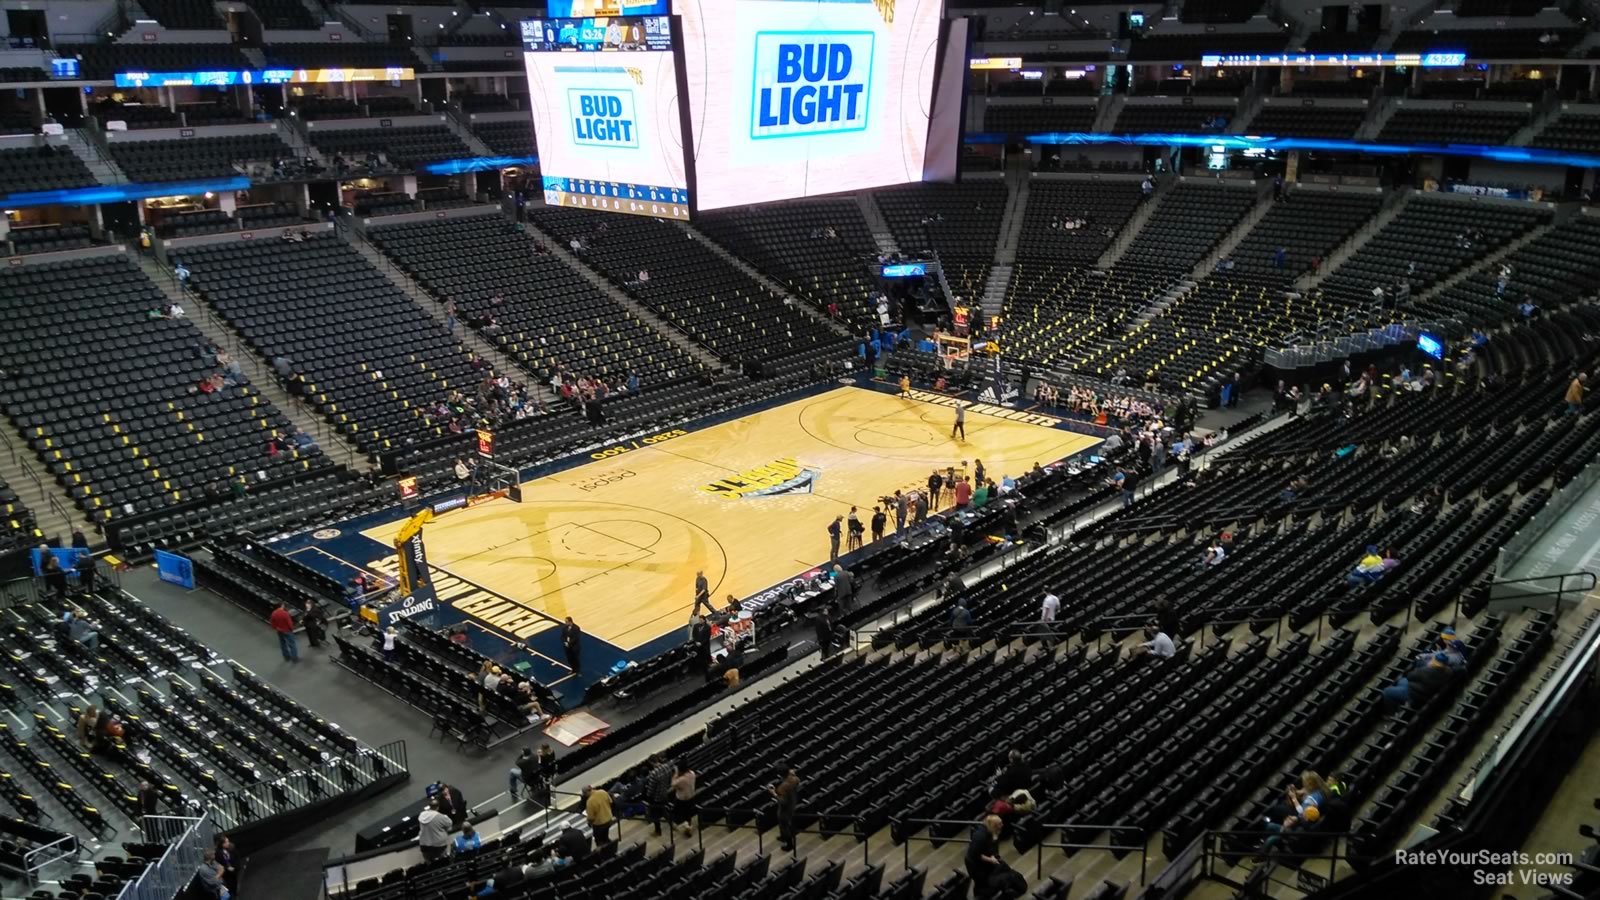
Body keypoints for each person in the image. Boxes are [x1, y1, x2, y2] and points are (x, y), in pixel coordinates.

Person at [1382, 652, 1454, 709]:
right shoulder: (1449, 671)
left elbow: (1410, 676)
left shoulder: (1423, 671)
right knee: (1402, 680)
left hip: (1417, 694)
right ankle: (1407, 701)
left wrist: (1428, 667)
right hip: (1430, 690)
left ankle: (1394, 713)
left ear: (1433, 662)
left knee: (1387, 691)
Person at [965, 815, 1004, 887]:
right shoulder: (980, 837)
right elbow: (976, 855)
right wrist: (991, 860)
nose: (1002, 825)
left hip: (985, 857)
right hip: (974, 864)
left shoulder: (992, 831)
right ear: (994, 825)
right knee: (981, 882)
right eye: (1000, 824)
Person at [770, 766, 800, 852]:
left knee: (784, 824)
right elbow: (797, 780)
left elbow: (783, 801)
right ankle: (783, 836)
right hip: (793, 802)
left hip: (785, 808)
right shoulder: (794, 779)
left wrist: (774, 794)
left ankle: (789, 844)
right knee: (784, 823)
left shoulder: (783, 787)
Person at [646, 754, 674, 835]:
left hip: (656, 798)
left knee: (655, 815)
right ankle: (671, 823)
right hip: (665, 793)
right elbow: (669, 781)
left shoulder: (653, 773)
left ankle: (658, 831)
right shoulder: (667, 767)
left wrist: (648, 798)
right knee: (665, 810)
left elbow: (651, 790)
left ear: (651, 763)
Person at [671, 760, 697, 837]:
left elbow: (673, 784)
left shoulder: (682, 779)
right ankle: (688, 827)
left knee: (677, 813)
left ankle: (685, 826)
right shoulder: (692, 774)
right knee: (688, 814)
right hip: (691, 796)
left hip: (682, 799)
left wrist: (675, 774)